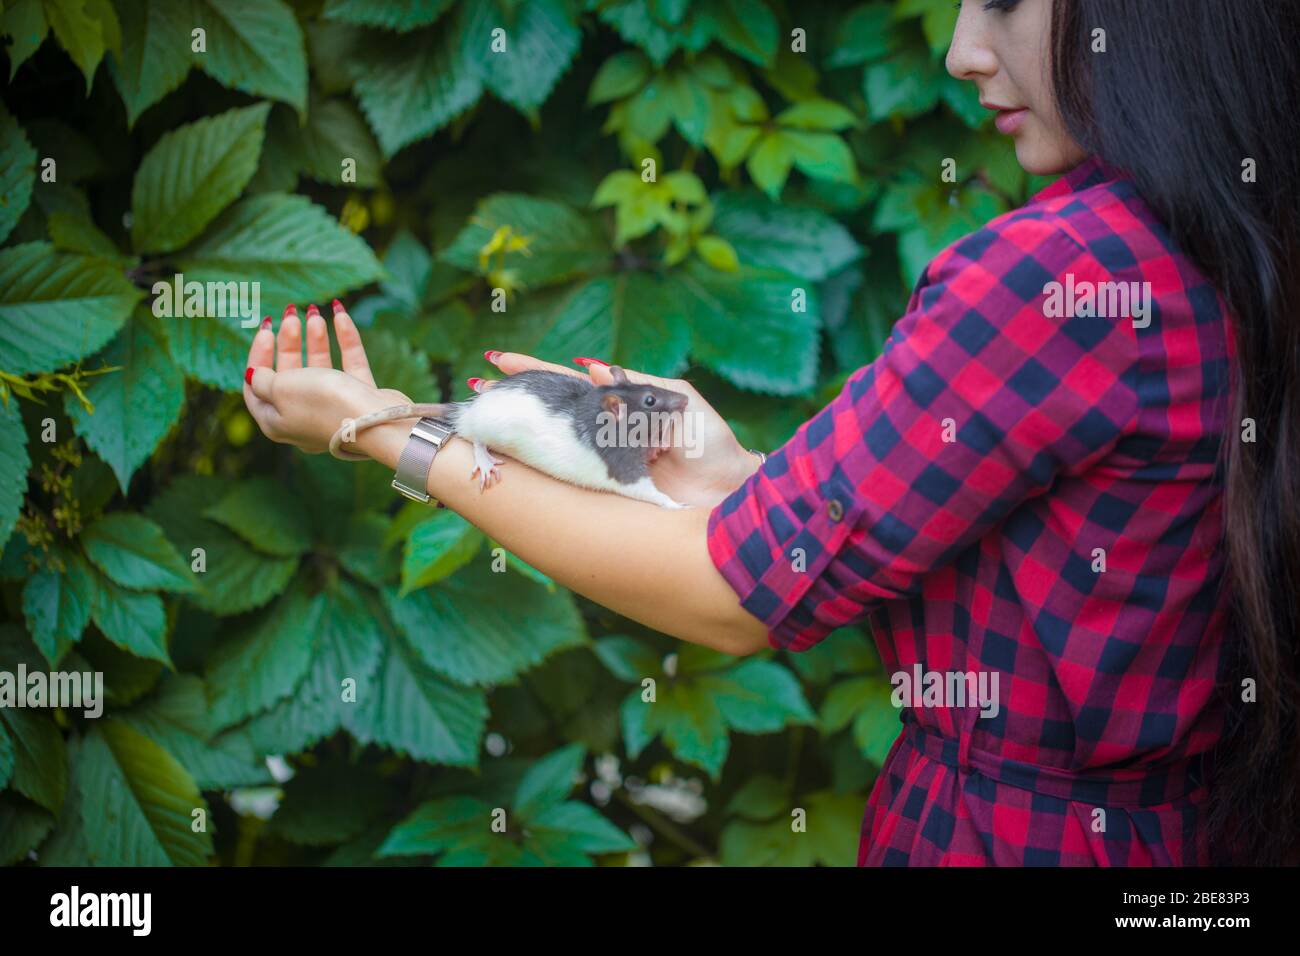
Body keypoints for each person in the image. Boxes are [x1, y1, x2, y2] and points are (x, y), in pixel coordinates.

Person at [242, 0, 1300, 865]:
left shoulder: (1056, 270)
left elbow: (734, 596)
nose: (960, 51)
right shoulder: (1236, 235)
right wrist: (740, 472)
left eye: (1003, 3)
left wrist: (382, 432)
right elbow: (1061, 561)